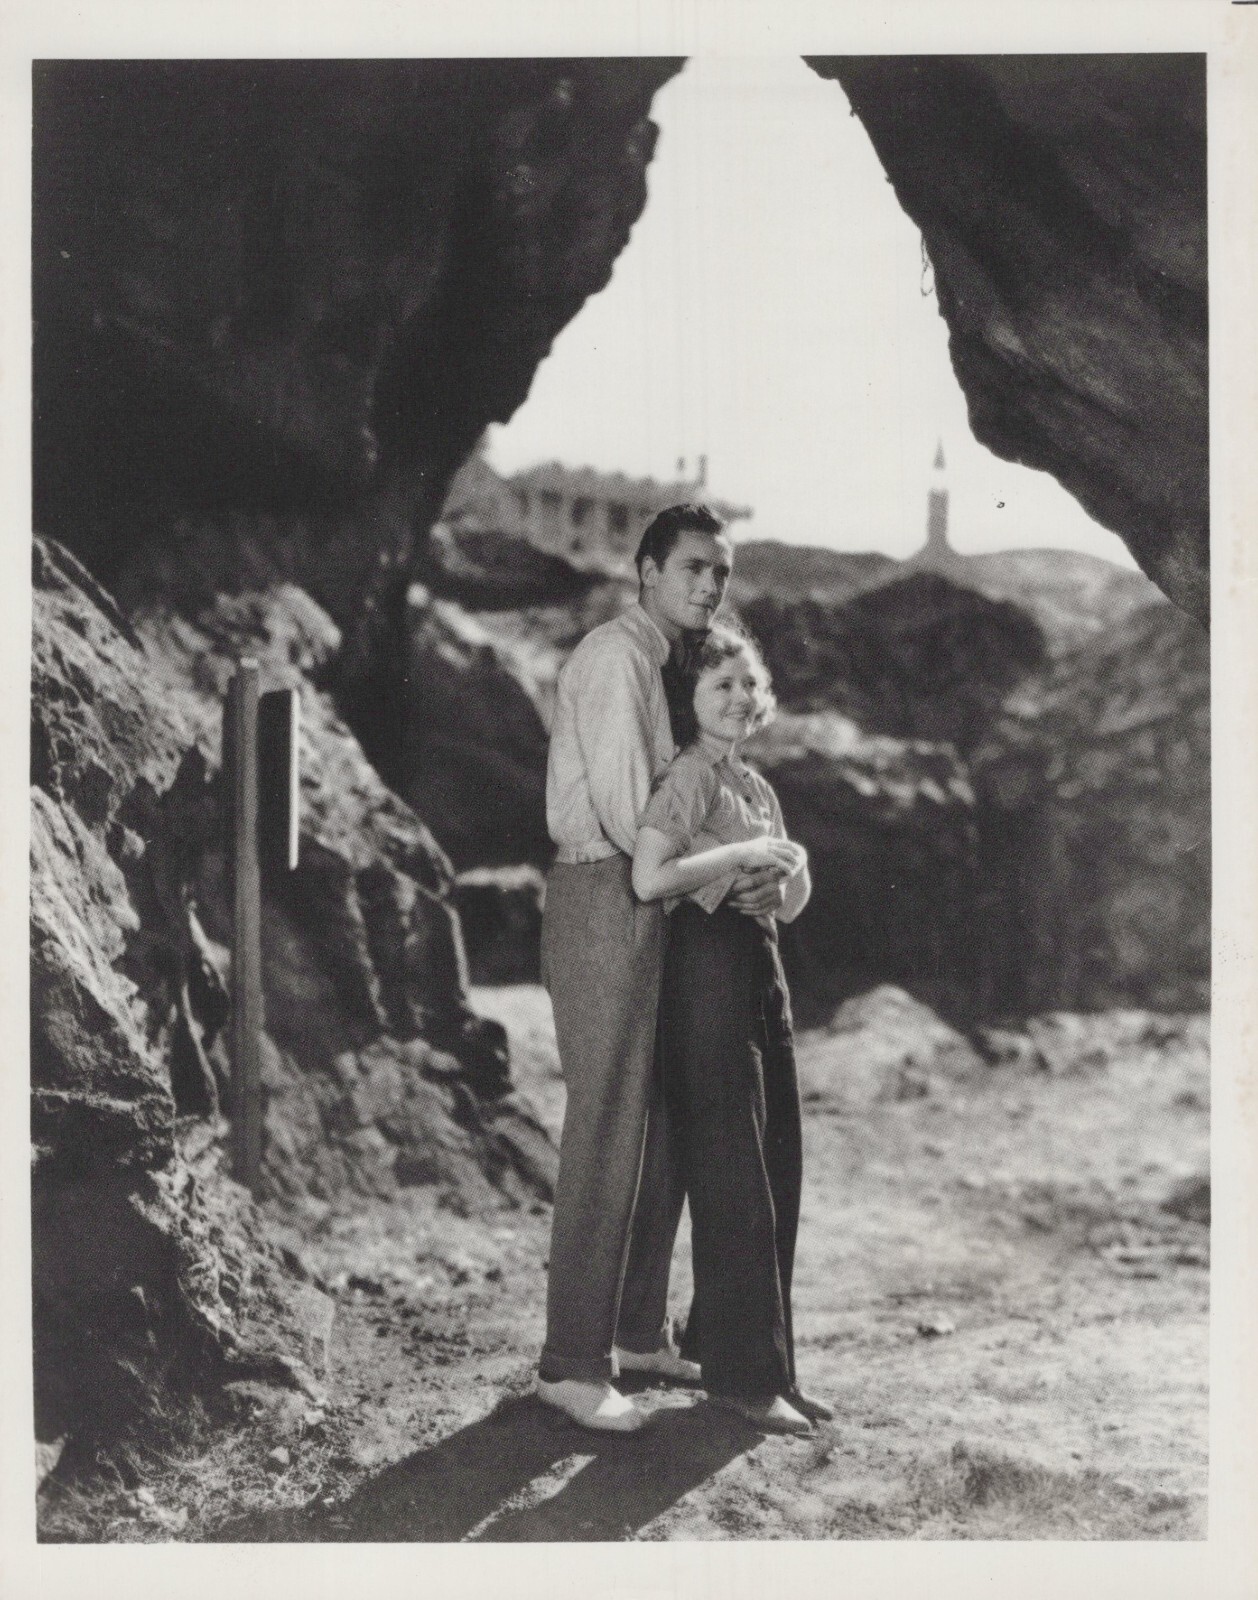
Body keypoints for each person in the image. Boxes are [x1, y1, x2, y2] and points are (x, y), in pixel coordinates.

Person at [535, 505, 789, 1432]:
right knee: (605, 1130)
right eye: (692, 567)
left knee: (670, 1126)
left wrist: (732, 874)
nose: (709, 586)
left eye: (720, 573)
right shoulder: (615, 658)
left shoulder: (666, 661)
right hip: (604, 898)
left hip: (652, 902)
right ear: (646, 571)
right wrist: (727, 874)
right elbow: (624, 814)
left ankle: (637, 1334)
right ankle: (569, 1365)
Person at [633, 620, 828, 1436]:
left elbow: (789, 900)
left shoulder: (754, 784)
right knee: (732, 1172)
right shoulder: (687, 777)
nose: (743, 697)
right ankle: (744, 1385)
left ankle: (737, 1352)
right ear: (689, 701)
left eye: (750, 683)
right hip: (704, 981)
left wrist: (793, 866)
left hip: (761, 975)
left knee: (777, 1158)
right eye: (723, 686)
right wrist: (738, 860)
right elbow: (651, 876)